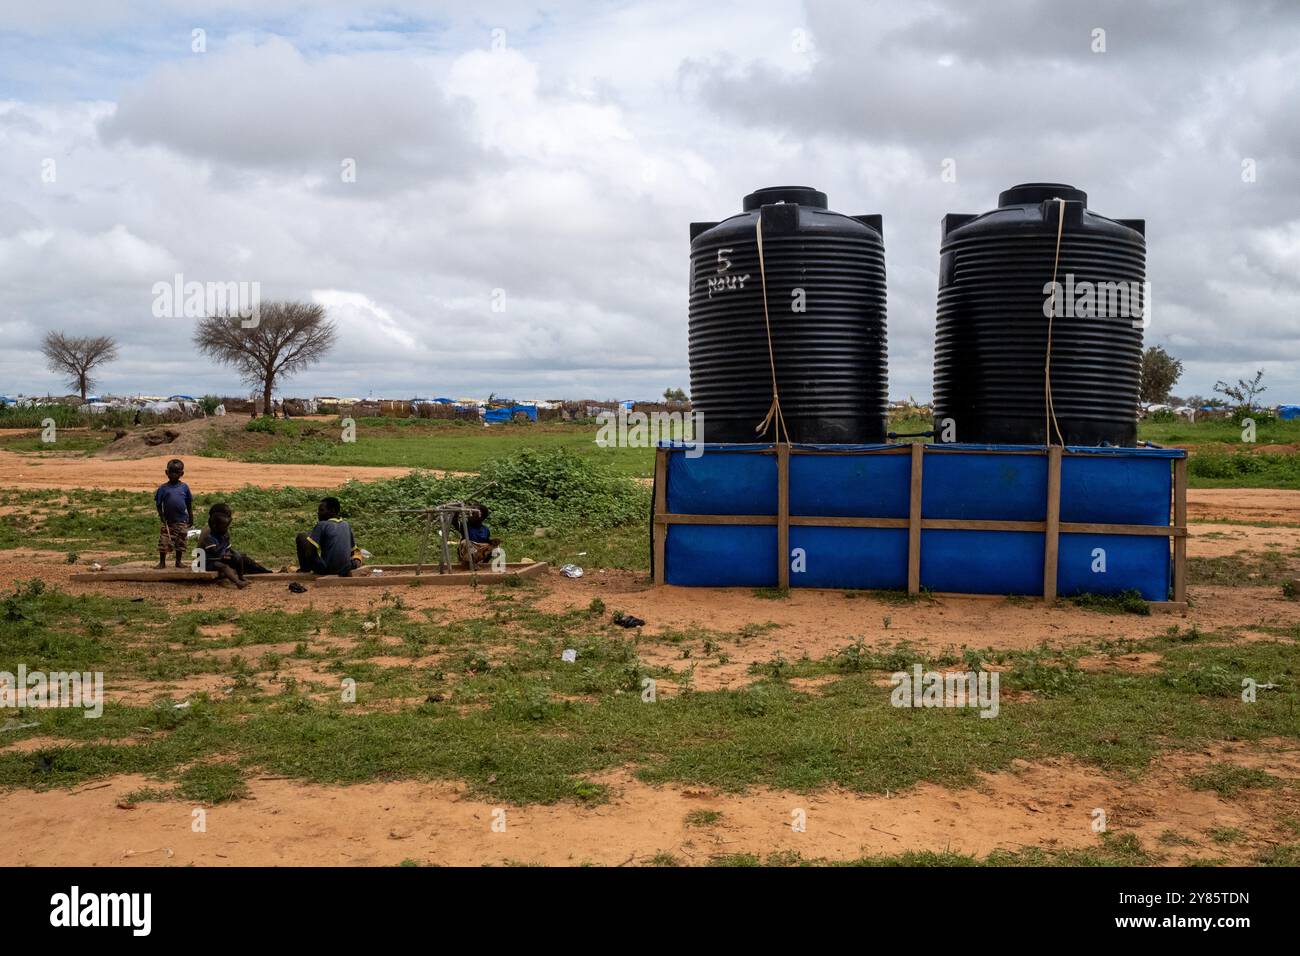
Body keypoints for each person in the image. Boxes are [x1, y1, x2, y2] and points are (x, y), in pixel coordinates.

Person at [197, 503, 271, 588]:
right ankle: (261, 574)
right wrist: (227, 556)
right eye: (228, 516)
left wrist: (233, 554)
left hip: (219, 557)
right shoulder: (210, 533)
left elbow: (227, 547)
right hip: (210, 560)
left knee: (240, 557)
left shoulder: (221, 529)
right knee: (241, 561)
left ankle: (260, 573)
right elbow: (212, 553)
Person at [296, 497, 363, 576]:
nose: (318, 513)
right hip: (345, 568)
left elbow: (310, 552)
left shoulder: (321, 525)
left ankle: (305, 569)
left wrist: (313, 563)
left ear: (332, 511)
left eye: (321, 510)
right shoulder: (346, 525)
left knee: (301, 537)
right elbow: (354, 551)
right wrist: (356, 561)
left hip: (326, 569)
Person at [154, 458, 193, 569]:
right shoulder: (163, 488)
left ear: (182, 473)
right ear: (166, 472)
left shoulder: (184, 487)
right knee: (164, 541)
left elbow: (189, 503)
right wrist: (162, 516)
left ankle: (178, 562)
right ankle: (162, 562)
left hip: (182, 521)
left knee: (181, 541)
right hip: (168, 521)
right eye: (171, 472)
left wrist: (191, 517)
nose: (173, 474)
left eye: (177, 472)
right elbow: (158, 504)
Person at [458, 501, 500, 567]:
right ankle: (469, 563)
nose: (470, 515)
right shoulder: (464, 526)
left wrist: (492, 542)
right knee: (465, 542)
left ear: (481, 517)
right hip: (467, 554)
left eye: (473, 513)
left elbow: (486, 543)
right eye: (469, 513)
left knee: (495, 547)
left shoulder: (485, 529)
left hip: (478, 552)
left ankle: (484, 563)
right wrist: (456, 510)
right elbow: (455, 521)